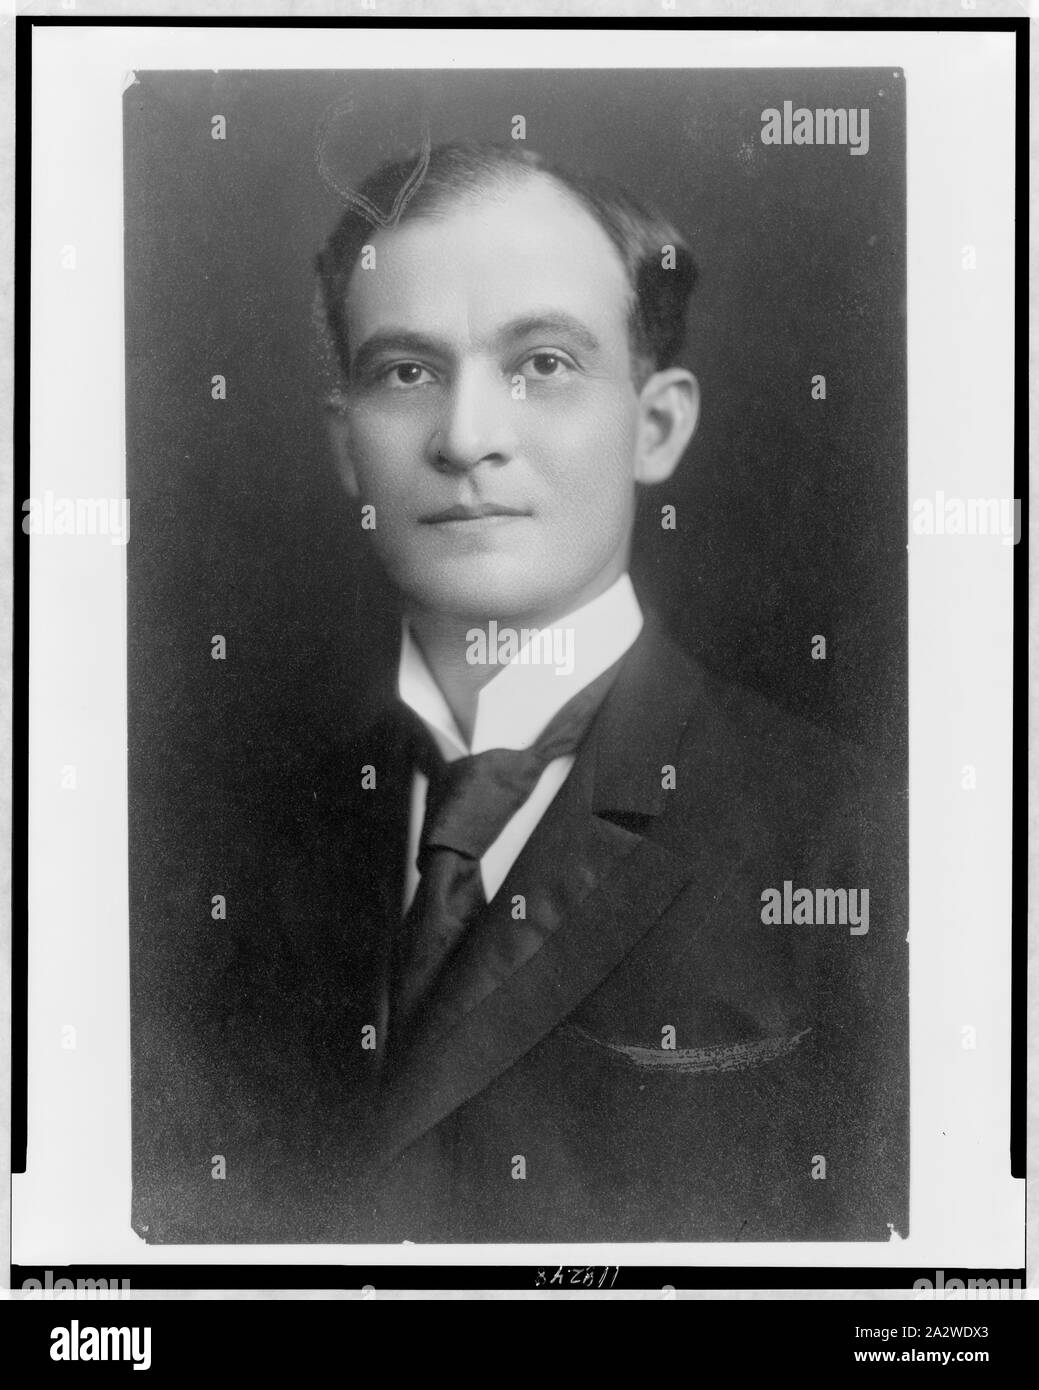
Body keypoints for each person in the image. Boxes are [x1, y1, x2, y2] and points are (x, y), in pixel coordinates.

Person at [142, 142, 907, 1245]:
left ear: (656, 425)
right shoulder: (201, 847)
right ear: (346, 448)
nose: (466, 439)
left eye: (543, 363)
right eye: (405, 371)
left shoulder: (859, 841)